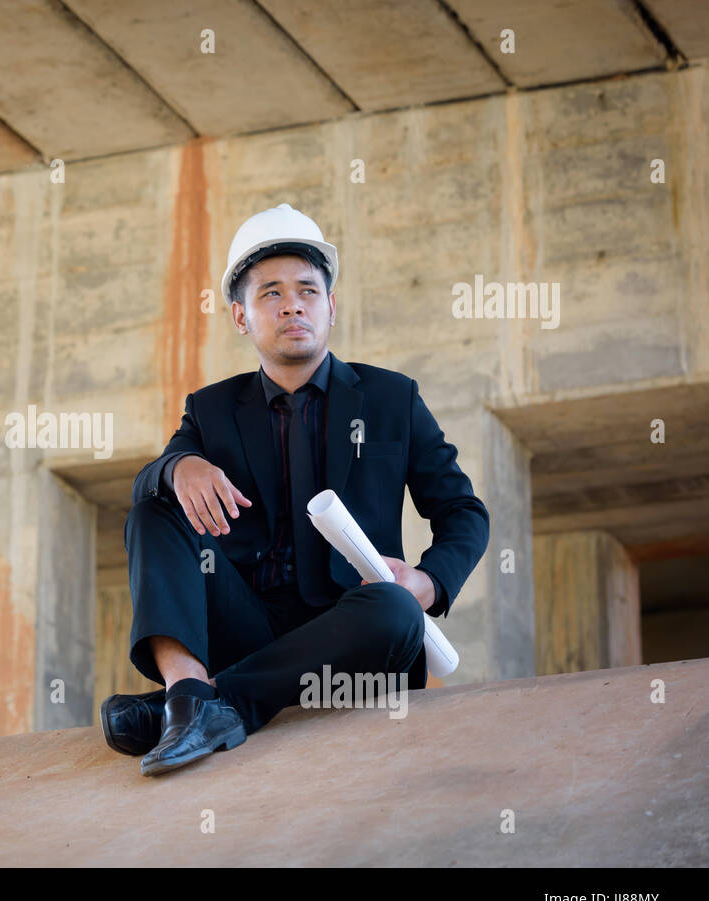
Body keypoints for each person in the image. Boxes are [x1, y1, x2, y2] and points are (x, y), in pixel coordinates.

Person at [102, 204, 490, 777]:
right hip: (248, 630)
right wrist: (178, 466)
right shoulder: (212, 411)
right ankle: (188, 688)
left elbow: (462, 511)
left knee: (394, 609)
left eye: (308, 290)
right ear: (240, 318)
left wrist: (429, 582)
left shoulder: (391, 399)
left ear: (331, 306)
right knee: (151, 513)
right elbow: (148, 487)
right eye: (270, 293)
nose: (292, 305)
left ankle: (197, 706)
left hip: (355, 640)